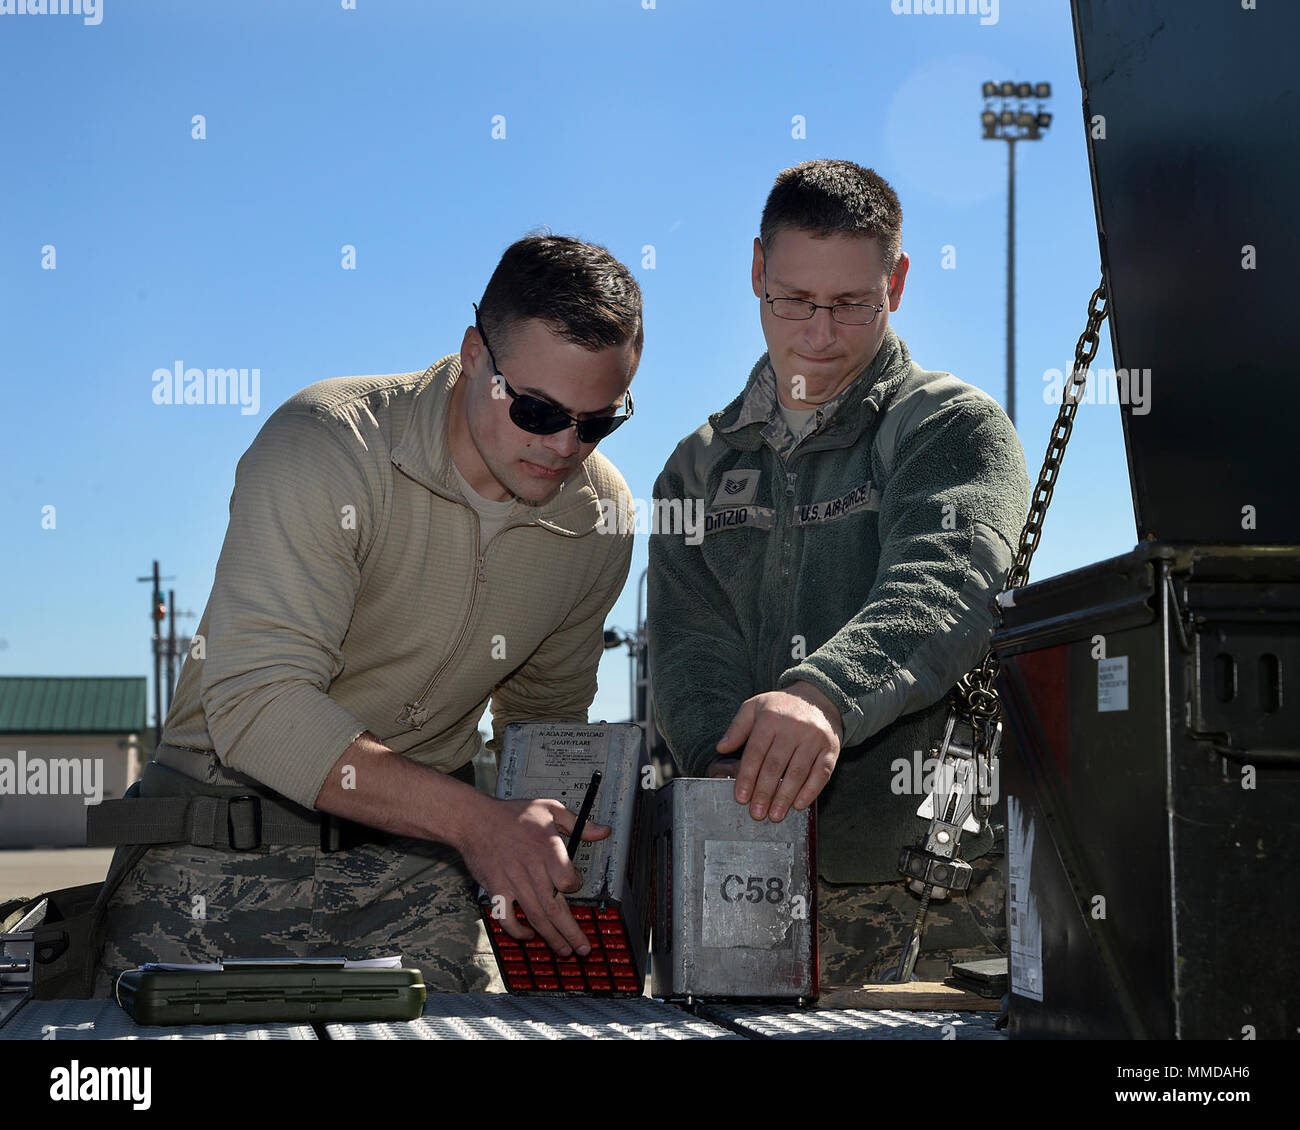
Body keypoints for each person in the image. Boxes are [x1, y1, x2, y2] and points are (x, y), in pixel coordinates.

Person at [91, 234, 642, 997]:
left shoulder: (599, 516)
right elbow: (258, 704)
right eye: (538, 410)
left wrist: (569, 876)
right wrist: (481, 826)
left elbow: (544, 719)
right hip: (216, 851)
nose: (563, 447)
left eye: (597, 422)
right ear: (475, 355)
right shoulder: (326, 443)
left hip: (417, 876)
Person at [647, 160, 1031, 984]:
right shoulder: (697, 469)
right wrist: (728, 780)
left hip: (927, 892)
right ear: (756, 270)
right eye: (792, 300)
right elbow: (688, 647)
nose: (819, 333)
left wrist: (822, 695)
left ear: (896, 280)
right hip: (743, 882)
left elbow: (945, 579)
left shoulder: (950, 427)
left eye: (853, 304)